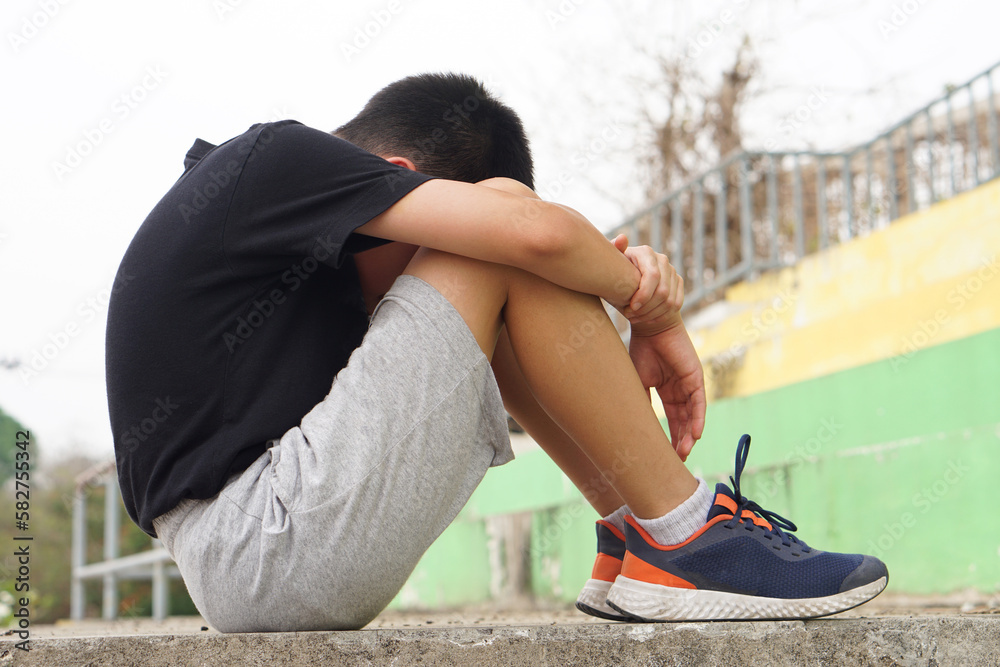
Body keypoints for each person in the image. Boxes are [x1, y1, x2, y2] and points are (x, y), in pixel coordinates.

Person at [106, 73, 887, 632]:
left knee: (514, 248)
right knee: (508, 224)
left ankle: (638, 534)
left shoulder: (275, 249)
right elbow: (534, 232)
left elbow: (525, 287)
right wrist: (650, 303)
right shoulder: (275, 159)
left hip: (259, 552)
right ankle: (683, 534)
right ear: (395, 182)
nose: (408, 284)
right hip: (265, 543)